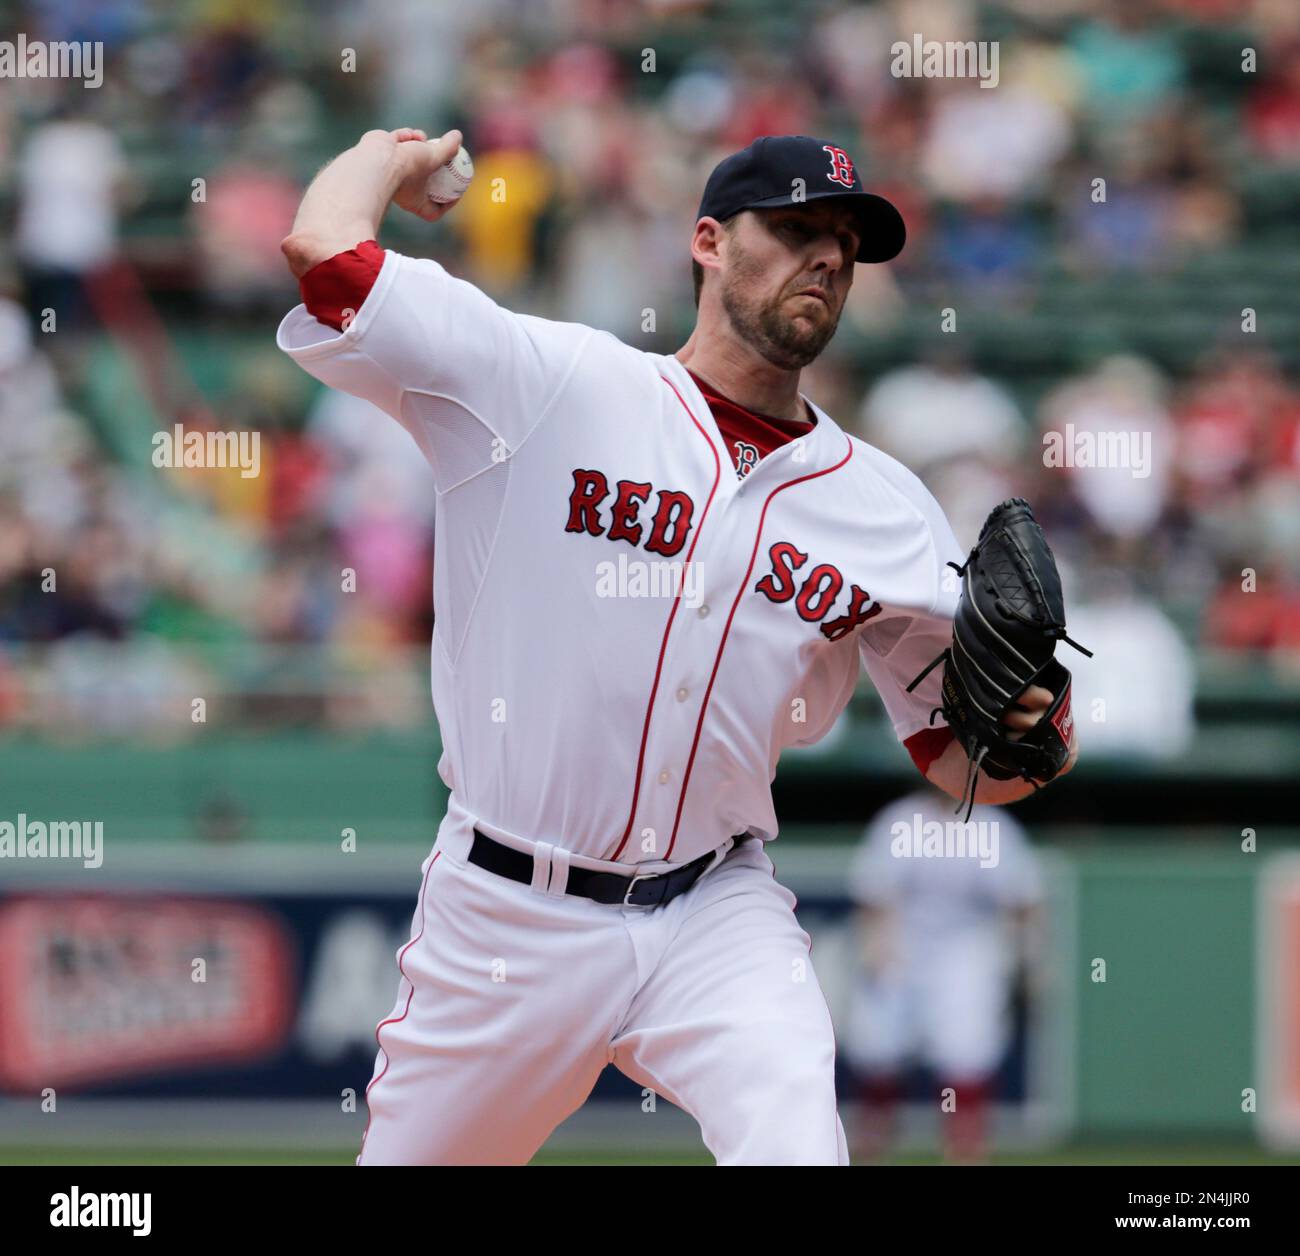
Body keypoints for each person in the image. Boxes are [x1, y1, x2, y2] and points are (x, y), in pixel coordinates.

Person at [275, 129, 1078, 1165]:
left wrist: (1039, 730)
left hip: (715, 908)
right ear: (707, 240)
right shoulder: (551, 384)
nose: (827, 257)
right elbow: (327, 256)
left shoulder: (889, 512)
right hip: (506, 913)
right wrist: (393, 155)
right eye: (795, 229)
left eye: (844, 241)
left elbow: (963, 761)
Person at [844, 787, 1045, 1163]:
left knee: (965, 1051)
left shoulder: (993, 826)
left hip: (966, 951)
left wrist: (1030, 961)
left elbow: (1025, 902)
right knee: (877, 1047)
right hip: (903, 944)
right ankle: (869, 1142)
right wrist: (876, 951)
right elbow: (873, 897)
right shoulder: (901, 820)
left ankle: (965, 1149)